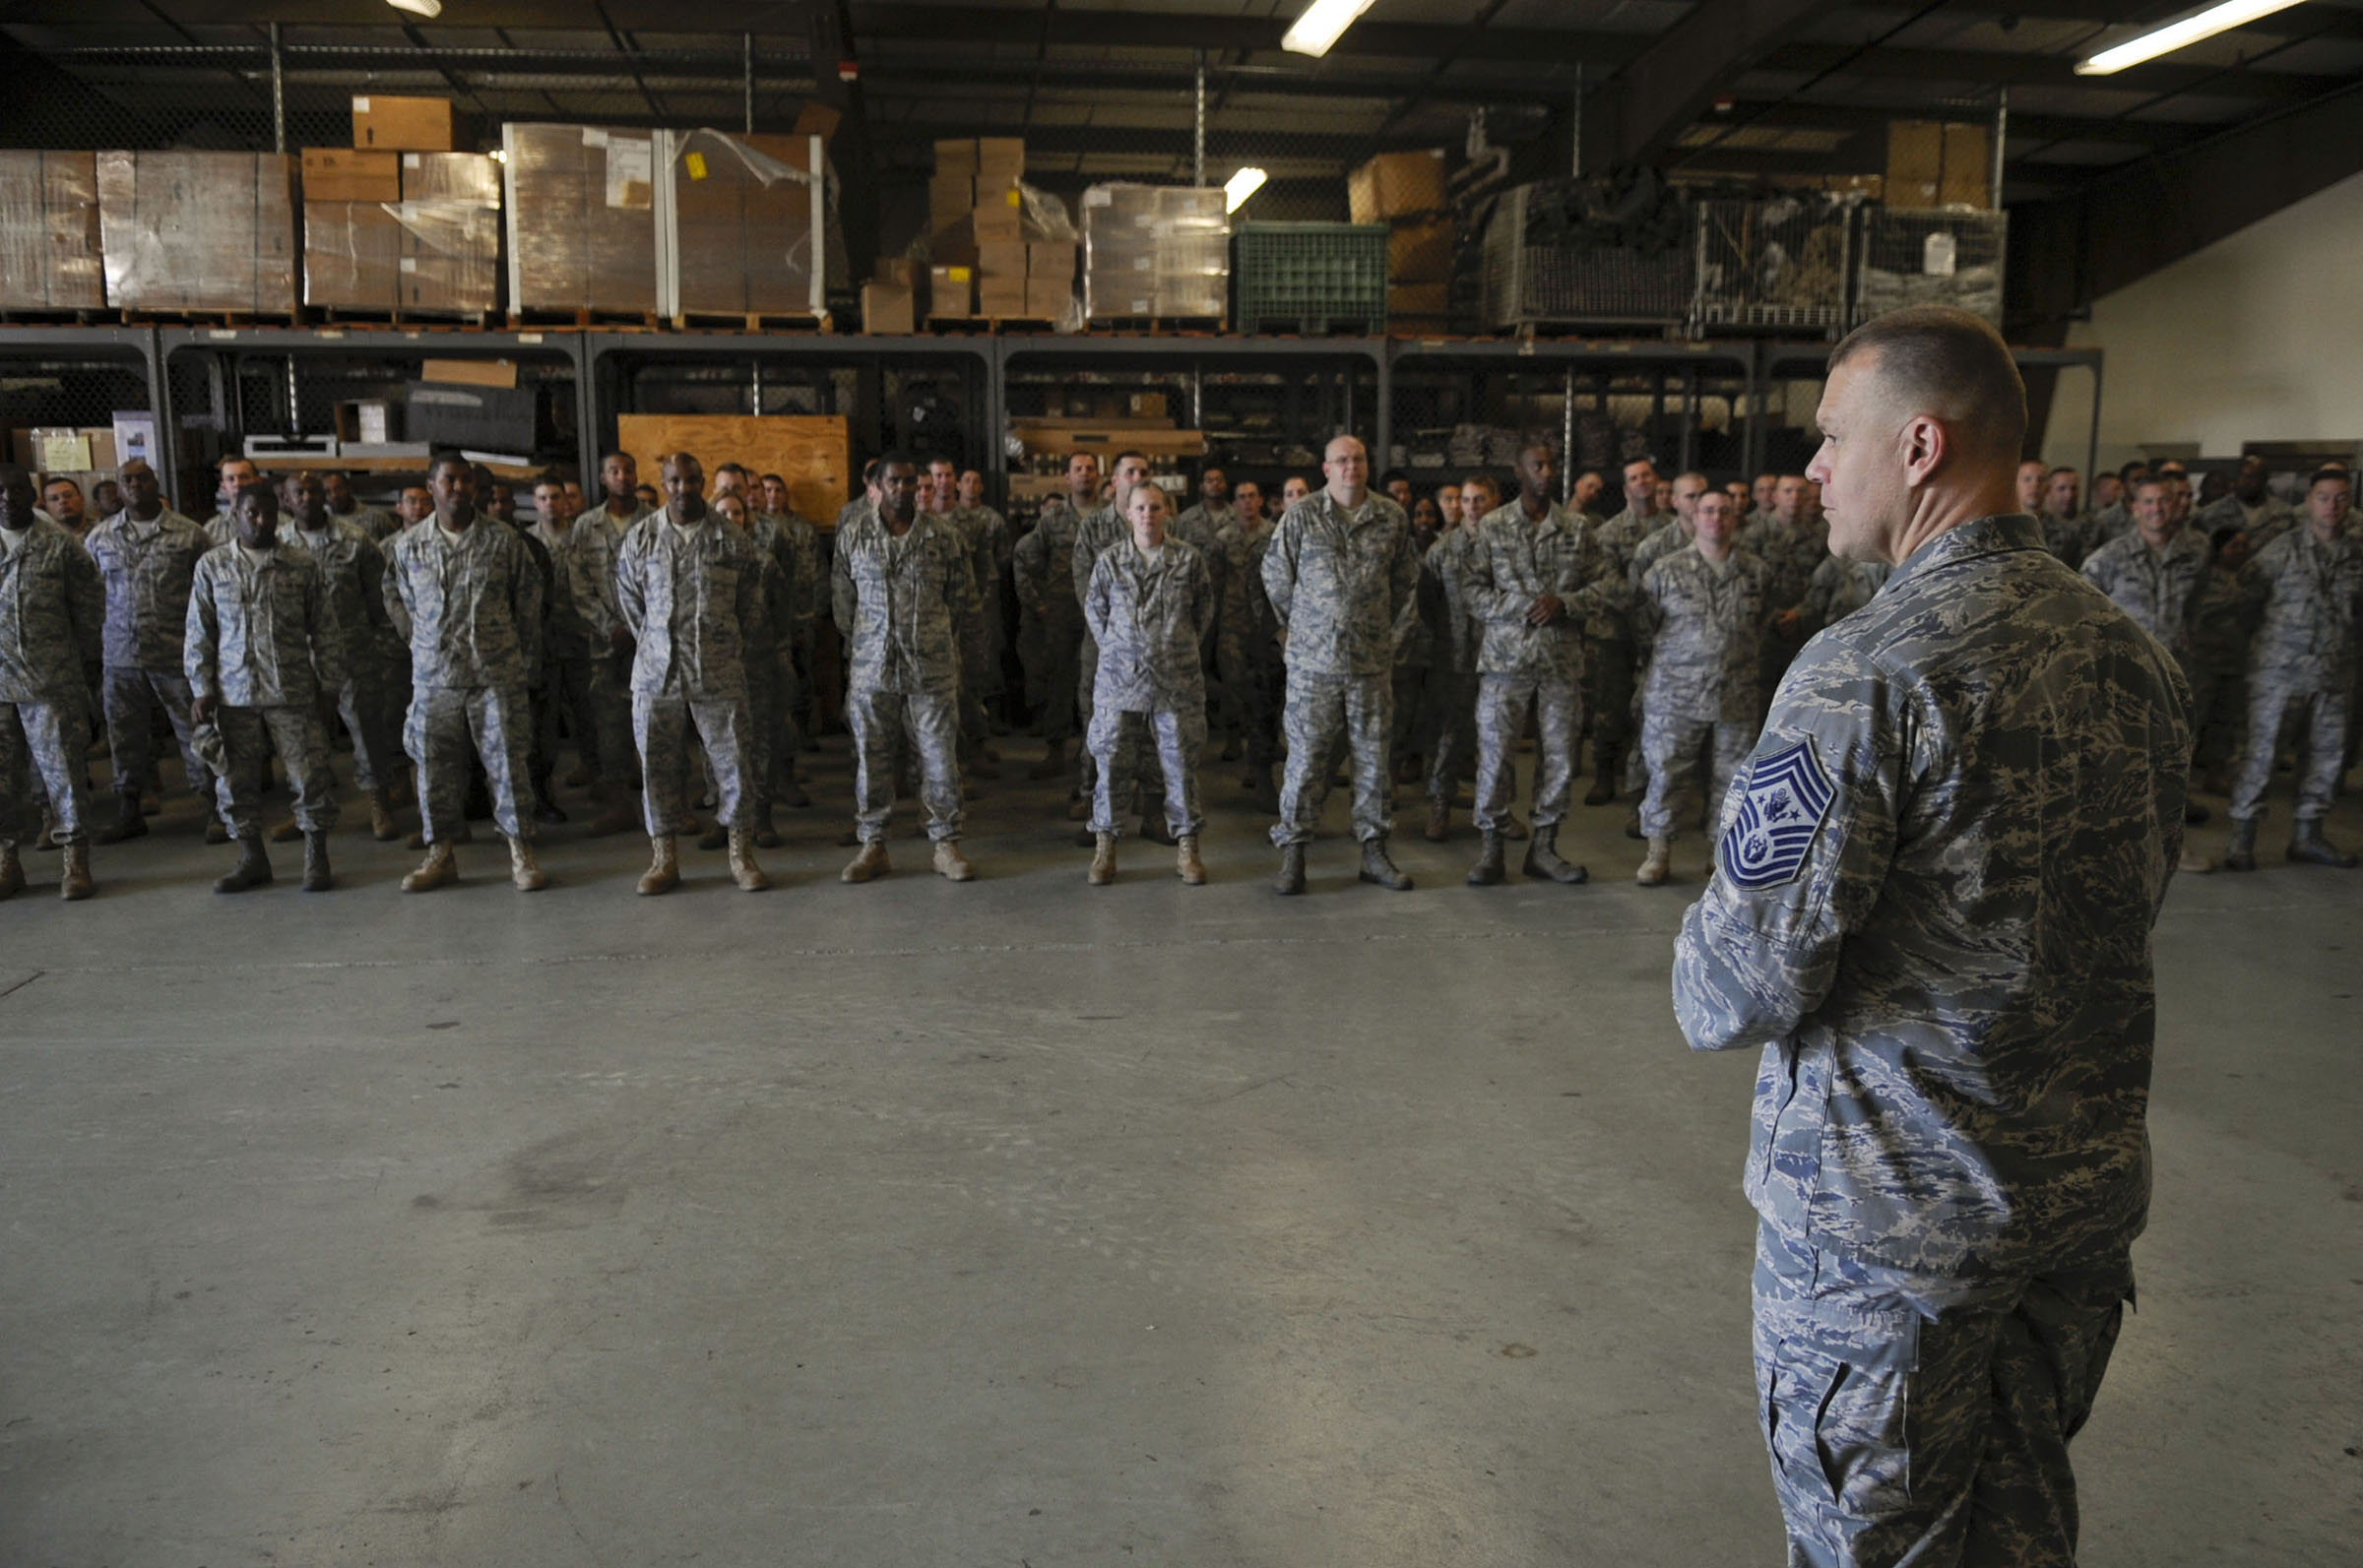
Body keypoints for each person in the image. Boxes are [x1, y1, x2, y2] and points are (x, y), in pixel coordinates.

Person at [1673, 305, 2190, 1568]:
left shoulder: (1868, 671)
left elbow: (1733, 982)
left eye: (1828, 437)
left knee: (1875, 1541)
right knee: (2017, 1533)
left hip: (1891, 1242)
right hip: (2068, 1220)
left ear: (1918, 447)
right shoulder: (2136, 660)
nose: (1809, 471)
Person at [1261, 435, 1420, 895]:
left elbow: (1408, 583)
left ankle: (1374, 851)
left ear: (1368, 466)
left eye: (1358, 459)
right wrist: (1300, 631)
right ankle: (1293, 853)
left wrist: (1389, 639)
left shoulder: (1390, 516)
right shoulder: (1303, 516)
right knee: (1307, 760)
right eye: (1341, 461)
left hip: (1370, 664)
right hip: (1314, 665)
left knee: (1372, 761)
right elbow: (1275, 575)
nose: (1351, 467)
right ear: (1326, 469)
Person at [381, 455, 547, 893]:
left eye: (465, 480)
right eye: (448, 480)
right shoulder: (409, 545)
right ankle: (441, 854)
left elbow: (527, 599)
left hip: (495, 674)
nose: (457, 487)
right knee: (435, 768)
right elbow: (394, 595)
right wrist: (417, 638)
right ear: (431, 487)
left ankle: (520, 852)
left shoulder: (503, 541)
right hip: (435, 678)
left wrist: (520, 657)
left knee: (508, 765)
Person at [614, 454, 772, 894]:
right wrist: (657, 643)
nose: (683, 488)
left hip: (717, 669)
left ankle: (741, 856)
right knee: (657, 765)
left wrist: (722, 642)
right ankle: (664, 859)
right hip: (656, 673)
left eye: (690, 480)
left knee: (734, 763)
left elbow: (750, 606)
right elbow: (631, 604)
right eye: (673, 481)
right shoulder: (641, 538)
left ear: (703, 483)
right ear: (663, 484)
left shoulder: (730, 540)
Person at [1462, 442, 1617, 887]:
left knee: (1561, 756)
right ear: (1519, 471)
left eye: (1551, 466)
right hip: (1505, 661)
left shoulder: (1576, 528)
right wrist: (1521, 606)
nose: (1546, 472)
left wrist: (1566, 604)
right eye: (1537, 466)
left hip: (1560, 662)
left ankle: (1544, 848)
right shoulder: (1492, 527)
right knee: (1495, 753)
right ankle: (1491, 848)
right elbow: (1471, 589)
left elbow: (1606, 583)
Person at [184, 480, 343, 894]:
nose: (261, 521)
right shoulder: (213, 566)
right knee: (235, 782)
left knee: (309, 776)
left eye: (269, 513)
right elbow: (199, 632)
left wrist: (328, 685)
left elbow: (325, 630)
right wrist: (201, 688)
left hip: (291, 691)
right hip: (233, 695)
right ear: (236, 514)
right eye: (252, 513)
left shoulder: (301, 564)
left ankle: (316, 856)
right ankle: (252, 858)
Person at [831, 452, 981, 883]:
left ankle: (946, 844)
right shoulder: (854, 535)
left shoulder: (942, 537)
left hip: (930, 666)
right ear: (877, 485)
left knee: (939, 758)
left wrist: (938, 642)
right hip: (871, 668)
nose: (903, 490)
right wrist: (866, 641)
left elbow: (962, 600)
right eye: (894, 482)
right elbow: (843, 605)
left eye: (910, 482)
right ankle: (873, 844)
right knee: (872, 758)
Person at [1631, 488, 1774, 886]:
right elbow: (1643, 628)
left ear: (1736, 518)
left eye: (1725, 512)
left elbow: (1760, 625)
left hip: (1735, 691)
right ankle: (1658, 853)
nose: (1716, 518)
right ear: (1694, 517)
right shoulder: (1664, 571)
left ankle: (1720, 854)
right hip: (1675, 693)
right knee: (1666, 772)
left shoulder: (1756, 571)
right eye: (1708, 510)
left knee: (1733, 777)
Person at [2223, 467, 2363, 871]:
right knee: (2261, 757)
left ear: (2349, 503)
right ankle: (2242, 839)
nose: (2332, 506)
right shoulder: (2279, 550)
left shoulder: (2357, 557)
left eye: (2340, 498)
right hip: (2278, 676)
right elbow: (2243, 603)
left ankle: (2308, 836)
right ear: (2308, 501)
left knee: (2326, 759)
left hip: (2336, 676)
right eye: (2324, 497)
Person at [1081, 481, 1217, 885]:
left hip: (1175, 682)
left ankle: (1188, 848)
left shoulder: (1188, 560)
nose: (1147, 515)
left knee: (1180, 765)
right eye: (1140, 508)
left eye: (1155, 508)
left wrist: (1171, 646)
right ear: (1128, 513)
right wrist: (1124, 650)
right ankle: (1105, 847)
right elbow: (1095, 611)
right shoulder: (1109, 561)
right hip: (1119, 683)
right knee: (1110, 764)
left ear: (1167, 512)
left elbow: (1203, 610)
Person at [2079, 474, 2215, 866]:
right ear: (2134, 508)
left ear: (2176, 506)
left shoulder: (2197, 551)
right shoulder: (2107, 559)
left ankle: (2166, 847)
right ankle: (2106, 845)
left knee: (2172, 764)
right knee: (2117, 763)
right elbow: (2084, 618)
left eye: (2165, 501)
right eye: (2149, 502)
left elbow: (2200, 606)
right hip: (2126, 680)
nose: (2157, 509)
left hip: (2179, 678)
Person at [82, 458, 218, 844]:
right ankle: (129, 809)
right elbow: (87, 594)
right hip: (120, 656)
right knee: (125, 736)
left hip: (176, 654)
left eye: (143, 478)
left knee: (196, 733)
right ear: (118, 488)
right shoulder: (100, 537)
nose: (135, 485)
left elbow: (208, 594)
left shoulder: (190, 535)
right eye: (127, 480)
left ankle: (215, 807)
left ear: (156, 482)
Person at [278, 470, 405, 843]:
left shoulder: (355, 540)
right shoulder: (276, 543)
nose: (306, 498)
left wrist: (378, 650)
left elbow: (381, 599)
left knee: (368, 734)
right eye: (298, 492)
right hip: (297, 658)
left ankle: (378, 805)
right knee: (302, 739)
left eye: (313, 490)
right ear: (286, 500)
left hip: (353, 654)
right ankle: (308, 812)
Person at [0, 464, 103, 902]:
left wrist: (84, 669)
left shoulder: (59, 547)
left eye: (15, 490)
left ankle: (74, 859)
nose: (7, 498)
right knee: (2, 778)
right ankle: (8, 860)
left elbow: (89, 610)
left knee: (63, 771)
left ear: (32, 495)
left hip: (50, 679)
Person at [1011, 451, 1098, 784]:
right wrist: (1039, 602)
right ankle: (1056, 749)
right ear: (1067, 477)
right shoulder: (1054, 518)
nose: (1085, 474)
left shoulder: (1109, 517)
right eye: (1078, 469)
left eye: (1090, 468)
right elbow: (1025, 556)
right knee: (1059, 682)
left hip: (1101, 616)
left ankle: (1093, 753)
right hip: (1062, 614)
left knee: (1097, 686)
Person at [1417, 474, 1492, 843]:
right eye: (1466, 500)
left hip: (1499, 657)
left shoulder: (1506, 546)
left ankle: (1494, 812)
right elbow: (1426, 605)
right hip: (1455, 657)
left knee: (1496, 738)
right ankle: (1440, 805)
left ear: (1492, 502)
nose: (1472, 507)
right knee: (1449, 734)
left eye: (1479, 499)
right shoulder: (1442, 550)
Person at [526, 474, 600, 831]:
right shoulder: (526, 542)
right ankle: (544, 793)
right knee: (546, 726)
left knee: (591, 714)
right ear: (535, 503)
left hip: (581, 639)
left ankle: (599, 777)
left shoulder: (582, 538)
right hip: (544, 647)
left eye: (556, 495)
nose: (551, 503)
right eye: (543, 497)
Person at [1213, 480, 1281, 811]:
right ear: (1234, 503)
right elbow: (1214, 583)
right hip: (1233, 624)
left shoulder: (1274, 534)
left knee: (1264, 695)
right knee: (1236, 687)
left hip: (1266, 627)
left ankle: (1259, 761)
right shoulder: (1223, 539)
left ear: (1261, 501)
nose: (1248, 502)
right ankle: (1233, 736)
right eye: (1241, 497)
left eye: (1253, 496)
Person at [2039, 466, 2094, 566]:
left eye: (2074, 488)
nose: (2069, 495)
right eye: (2061, 489)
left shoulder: (2092, 525)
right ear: (2048, 491)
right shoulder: (2037, 525)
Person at [202, 455, 262, 545]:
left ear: (258, 481)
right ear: (223, 486)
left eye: (244, 477)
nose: (237, 483)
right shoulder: (211, 530)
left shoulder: (282, 524)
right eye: (230, 479)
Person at [324, 470, 398, 542]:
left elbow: (395, 545)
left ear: (348, 488)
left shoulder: (376, 517)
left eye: (338, 489)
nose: (334, 495)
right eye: (327, 491)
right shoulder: (323, 520)